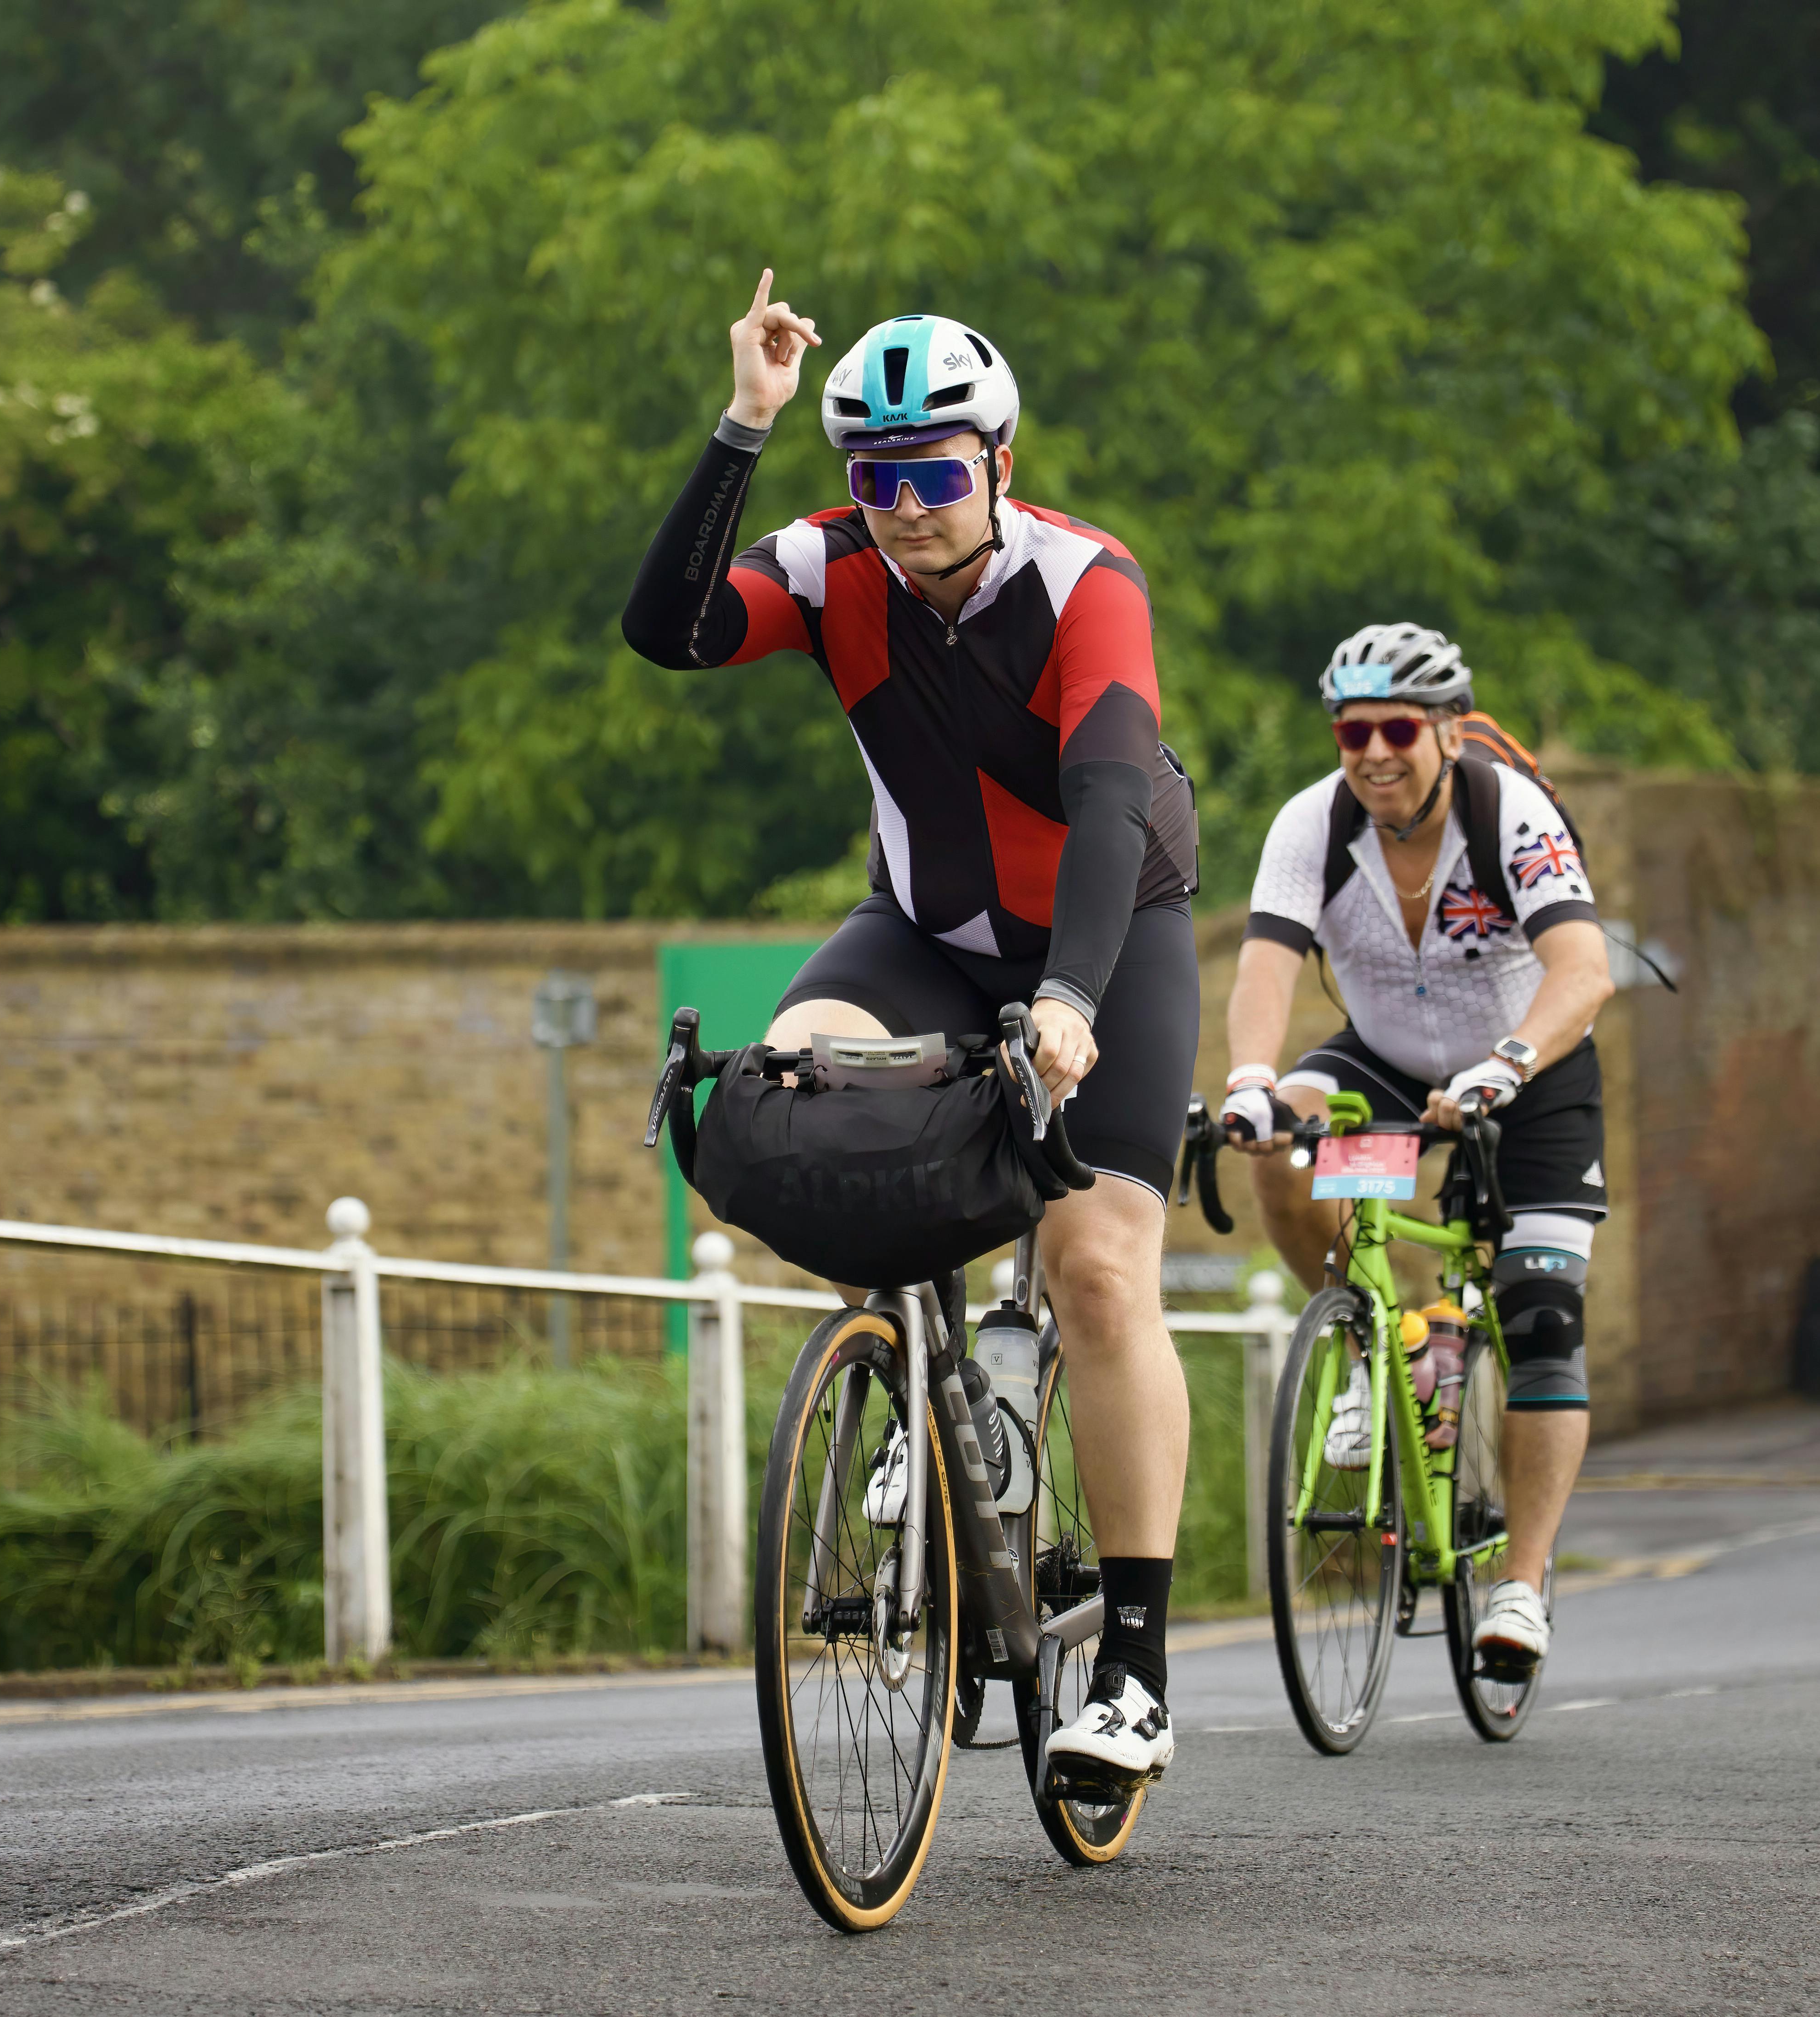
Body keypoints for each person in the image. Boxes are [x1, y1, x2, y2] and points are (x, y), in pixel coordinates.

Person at [625, 273, 1200, 1784]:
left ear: (997, 467)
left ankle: (1133, 1665)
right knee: (795, 1088)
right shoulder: (826, 570)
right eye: (873, 478)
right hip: (927, 931)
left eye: (935, 474)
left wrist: (1068, 998)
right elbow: (667, 631)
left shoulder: (1087, 582)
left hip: (1107, 929)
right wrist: (743, 423)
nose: (902, 506)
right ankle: (926, 1377)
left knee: (1092, 1260)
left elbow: (1101, 801)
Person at [1221, 623, 1615, 1670]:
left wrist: (1511, 1059)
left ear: (1445, 730)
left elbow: (1582, 969)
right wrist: (1252, 1081)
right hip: (1387, 1062)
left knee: (1538, 1308)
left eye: (1397, 726)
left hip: (1526, 1070)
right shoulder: (1311, 822)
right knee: (1280, 1141)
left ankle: (1520, 1586)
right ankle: (1381, 1339)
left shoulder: (1508, 812)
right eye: (1353, 729)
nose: (1373, 751)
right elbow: (1265, 967)